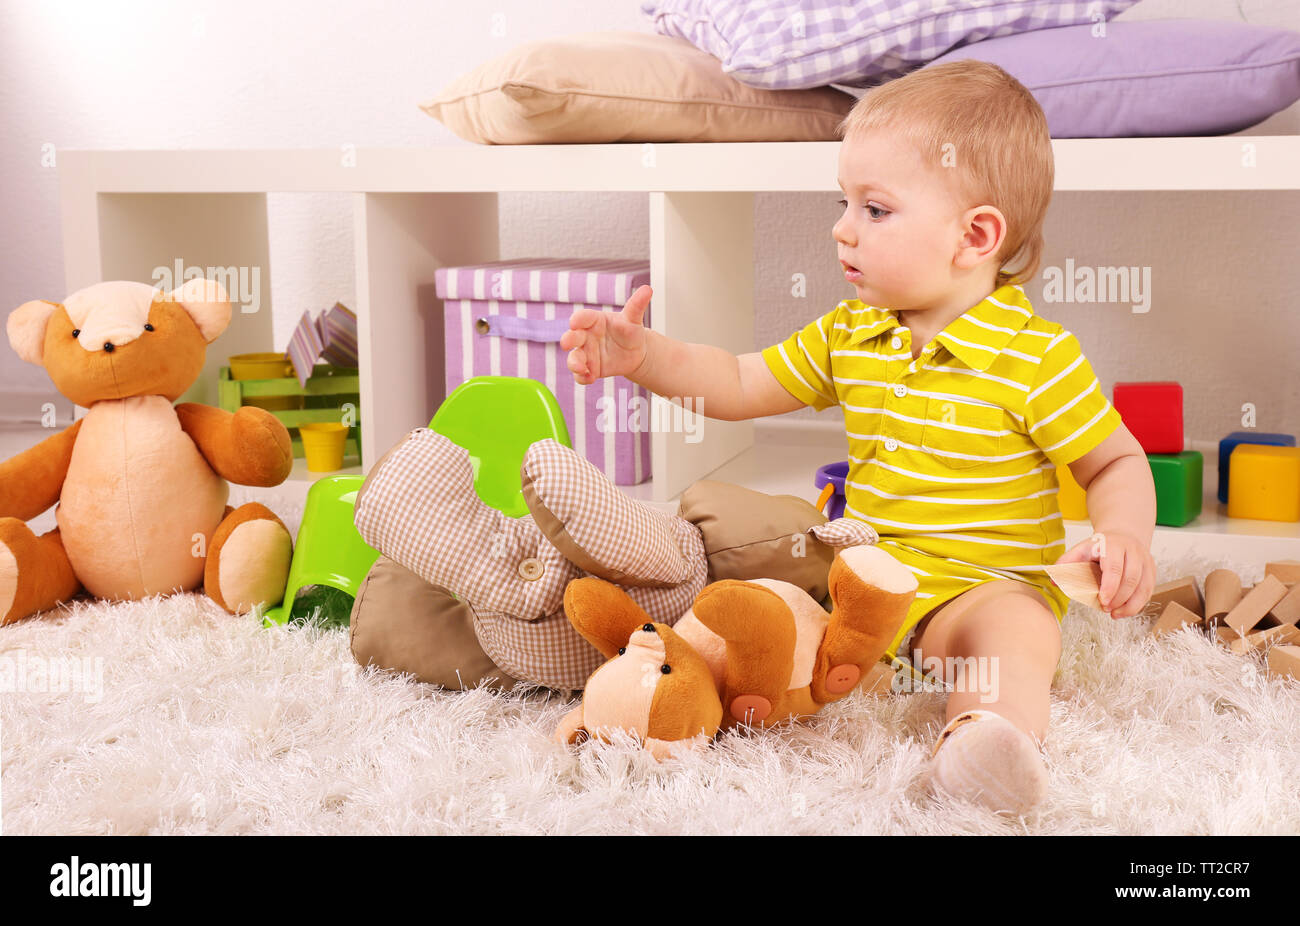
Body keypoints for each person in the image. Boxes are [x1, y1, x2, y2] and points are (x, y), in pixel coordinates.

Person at [560, 60, 1156, 815]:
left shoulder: (1036, 358)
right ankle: (668, 692)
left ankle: (986, 739)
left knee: (1015, 635)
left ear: (974, 236)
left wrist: (1125, 535)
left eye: (874, 210)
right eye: (843, 202)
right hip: (862, 581)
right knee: (765, 600)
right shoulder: (852, 331)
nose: (842, 228)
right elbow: (742, 382)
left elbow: (1114, 461)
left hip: (977, 591)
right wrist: (646, 358)